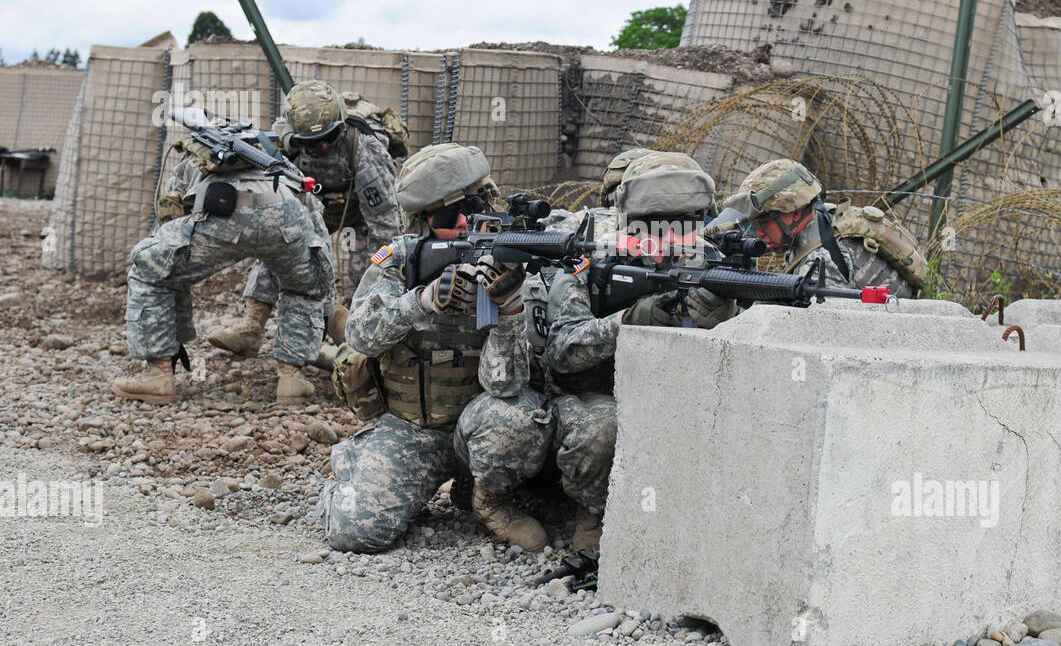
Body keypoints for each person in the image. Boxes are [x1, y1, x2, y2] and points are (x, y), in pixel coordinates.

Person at [455, 151, 738, 553]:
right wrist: (633, 319)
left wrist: (730, 315)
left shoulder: (713, 263)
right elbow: (564, 348)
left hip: (663, 400)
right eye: (655, 227)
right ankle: (576, 512)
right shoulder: (590, 257)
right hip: (575, 396)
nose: (670, 240)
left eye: (685, 225)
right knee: (602, 426)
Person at [316, 143, 521, 553]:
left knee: (522, 419)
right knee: (355, 532)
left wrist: (511, 309)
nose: (465, 222)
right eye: (449, 217)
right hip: (413, 428)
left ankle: (484, 496)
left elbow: (514, 383)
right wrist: (421, 301)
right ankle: (353, 464)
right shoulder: (401, 259)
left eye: (475, 206)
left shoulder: (519, 253)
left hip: (483, 427)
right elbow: (360, 335)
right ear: (423, 222)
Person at [111, 124, 332, 405]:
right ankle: (292, 379)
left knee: (150, 273)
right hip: (287, 214)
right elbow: (315, 224)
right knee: (303, 288)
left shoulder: (196, 151)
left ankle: (158, 376)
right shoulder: (276, 156)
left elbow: (171, 210)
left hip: (225, 213)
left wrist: (173, 273)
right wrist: (321, 291)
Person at [208, 80, 402, 361]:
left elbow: (386, 224)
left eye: (328, 139)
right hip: (312, 207)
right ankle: (250, 328)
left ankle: (360, 337)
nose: (322, 147)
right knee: (277, 249)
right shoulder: (280, 144)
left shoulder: (364, 149)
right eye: (311, 143)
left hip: (360, 212)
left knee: (368, 270)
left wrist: (379, 272)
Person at [723, 158, 926, 298]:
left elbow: (823, 332)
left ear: (793, 211)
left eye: (763, 222)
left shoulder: (821, 260)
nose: (757, 233)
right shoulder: (824, 223)